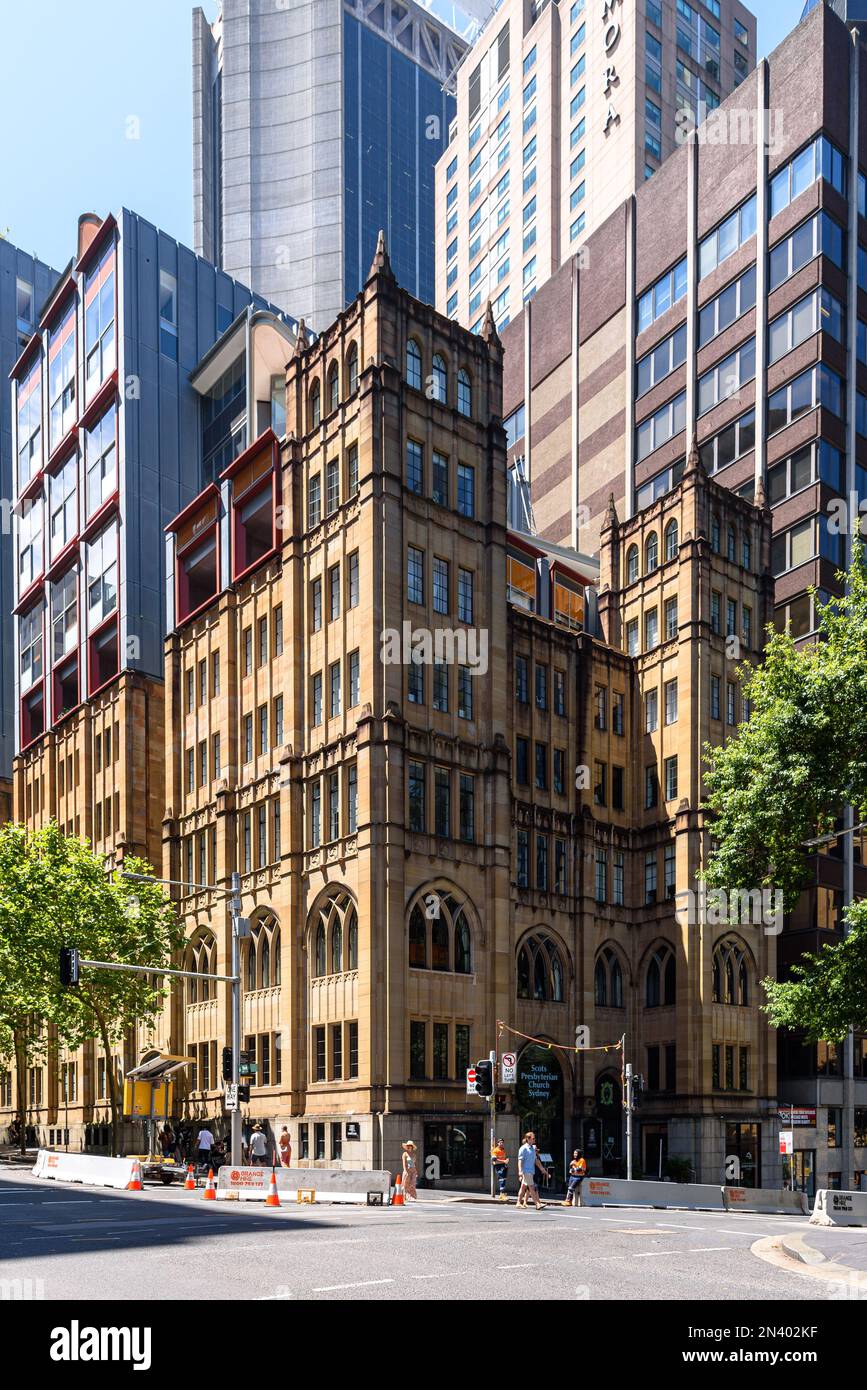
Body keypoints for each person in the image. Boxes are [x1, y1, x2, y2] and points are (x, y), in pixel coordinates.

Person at [516, 1131, 546, 1210]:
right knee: (532, 1187)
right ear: (528, 1139)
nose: (534, 1139)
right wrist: (520, 1171)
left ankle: (518, 1203)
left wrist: (542, 1168)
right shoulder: (523, 1148)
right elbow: (520, 1161)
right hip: (526, 1171)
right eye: (533, 1138)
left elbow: (536, 1160)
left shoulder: (533, 1148)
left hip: (531, 1171)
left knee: (523, 1187)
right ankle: (537, 1204)